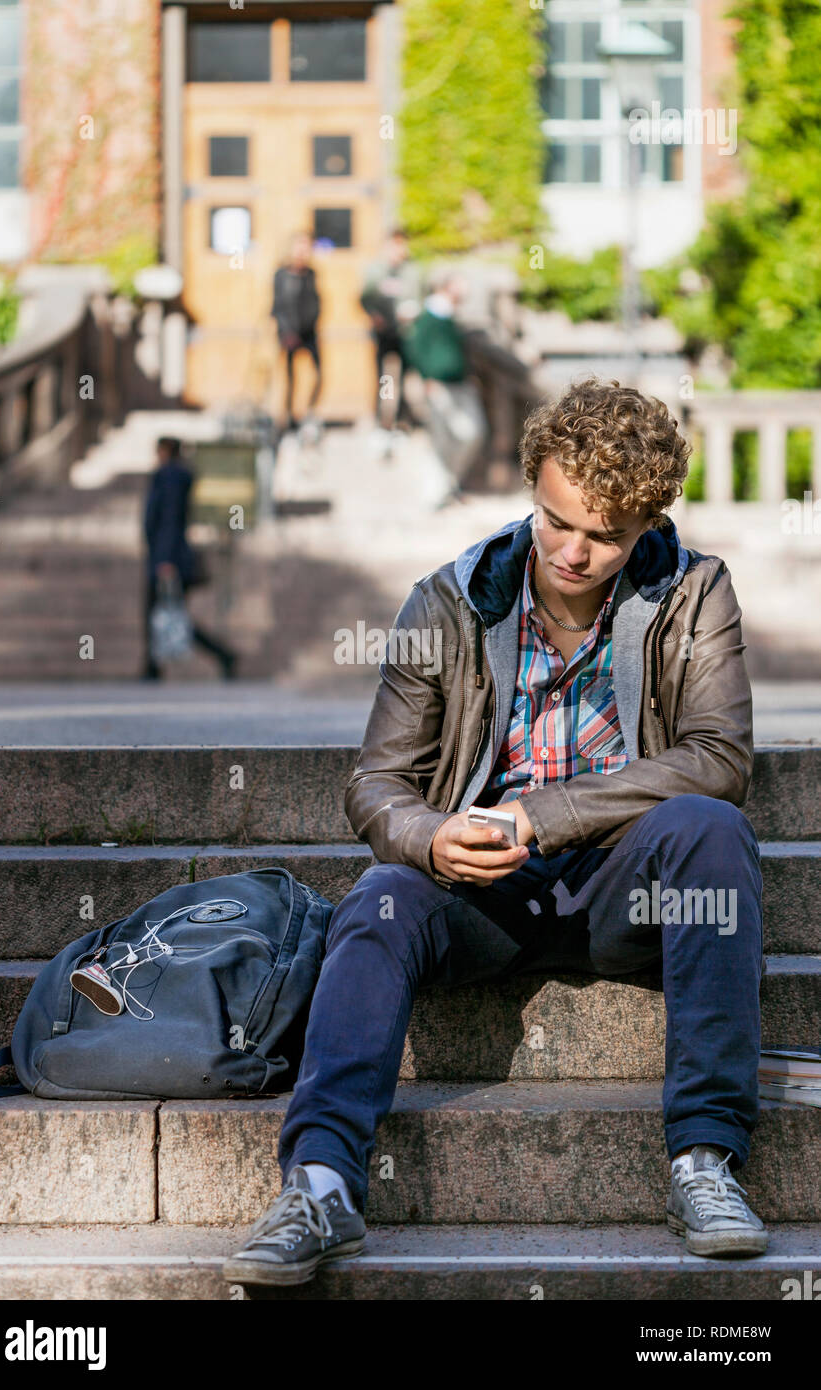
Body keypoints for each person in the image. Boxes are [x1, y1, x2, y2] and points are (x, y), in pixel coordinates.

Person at [223, 378, 766, 1287]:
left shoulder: (694, 591)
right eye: (558, 522)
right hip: (480, 885)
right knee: (379, 898)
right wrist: (431, 840)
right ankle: (318, 1183)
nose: (575, 553)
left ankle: (704, 1163)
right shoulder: (448, 601)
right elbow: (377, 783)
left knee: (711, 831)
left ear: (645, 528)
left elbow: (719, 759)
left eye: (607, 537)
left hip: (621, 881)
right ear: (533, 489)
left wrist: (547, 813)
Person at [143, 437, 238, 680]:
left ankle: (155, 667)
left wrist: (165, 560)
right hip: (168, 557)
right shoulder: (173, 477)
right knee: (169, 614)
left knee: (165, 613)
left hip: (167, 560)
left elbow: (169, 521)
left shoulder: (170, 477)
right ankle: (154, 666)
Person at [404, 271, 487, 503]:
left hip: (460, 384)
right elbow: (415, 347)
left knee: (472, 433)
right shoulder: (430, 316)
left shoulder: (450, 317)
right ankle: (437, 492)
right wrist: (427, 376)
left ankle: (450, 482)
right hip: (439, 386)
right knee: (441, 439)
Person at [360, 228, 422, 430]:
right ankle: (381, 416)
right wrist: (375, 316)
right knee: (384, 377)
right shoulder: (376, 271)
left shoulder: (412, 271)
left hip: (405, 331)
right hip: (383, 332)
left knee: (404, 377)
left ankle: (402, 417)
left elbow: (418, 298)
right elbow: (365, 298)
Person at [271, 231, 322, 434]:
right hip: (289, 334)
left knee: (317, 374)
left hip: (309, 332)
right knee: (289, 377)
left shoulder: (311, 274)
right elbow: (278, 306)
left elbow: (315, 302)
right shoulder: (282, 275)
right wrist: (287, 331)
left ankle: (308, 411)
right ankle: (288, 416)